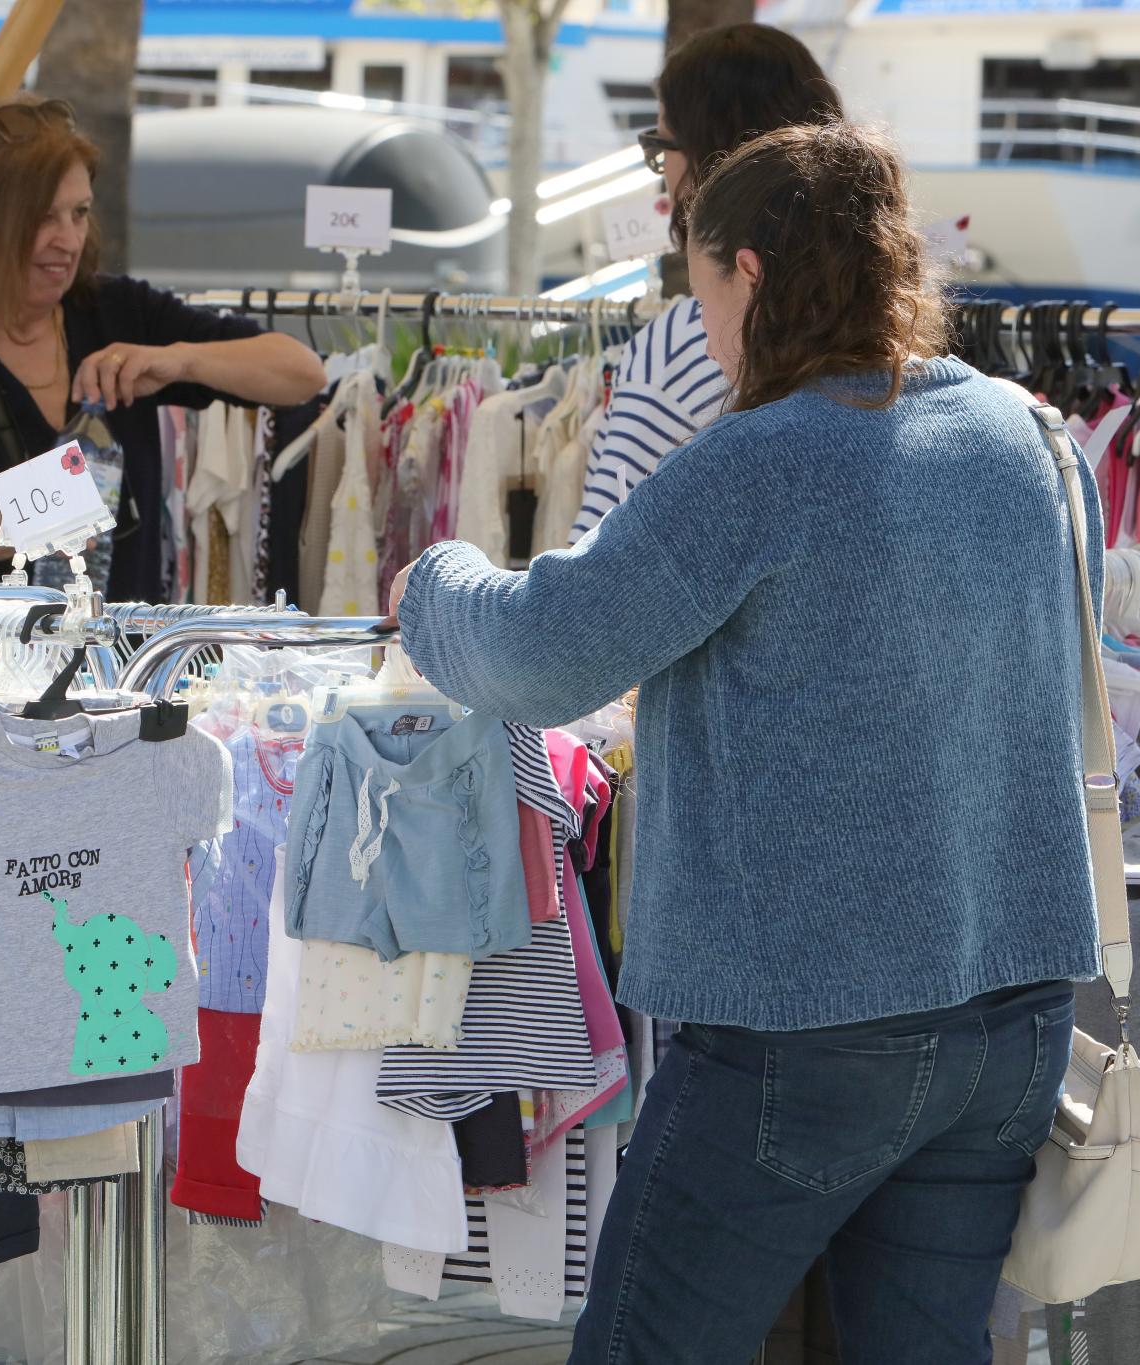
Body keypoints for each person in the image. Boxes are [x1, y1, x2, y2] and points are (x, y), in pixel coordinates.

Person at [386, 122, 1103, 1364]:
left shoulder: (754, 462)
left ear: (751, 275)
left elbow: (543, 659)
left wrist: (432, 576)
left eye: (698, 286)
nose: (699, 326)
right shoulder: (1012, 435)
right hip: (1010, 1019)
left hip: (805, 1028)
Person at [0, 95, 325, 597]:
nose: (69, 240)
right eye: (42, 219)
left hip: (122, 675)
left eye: (79, 213)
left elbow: (302, 374)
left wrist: (179, 359)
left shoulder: (119, 314)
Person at [570, 24, 842, 542]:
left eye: (662, 146)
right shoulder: (876, 335)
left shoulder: (677, 350)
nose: (663, 171)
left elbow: (594, 569)